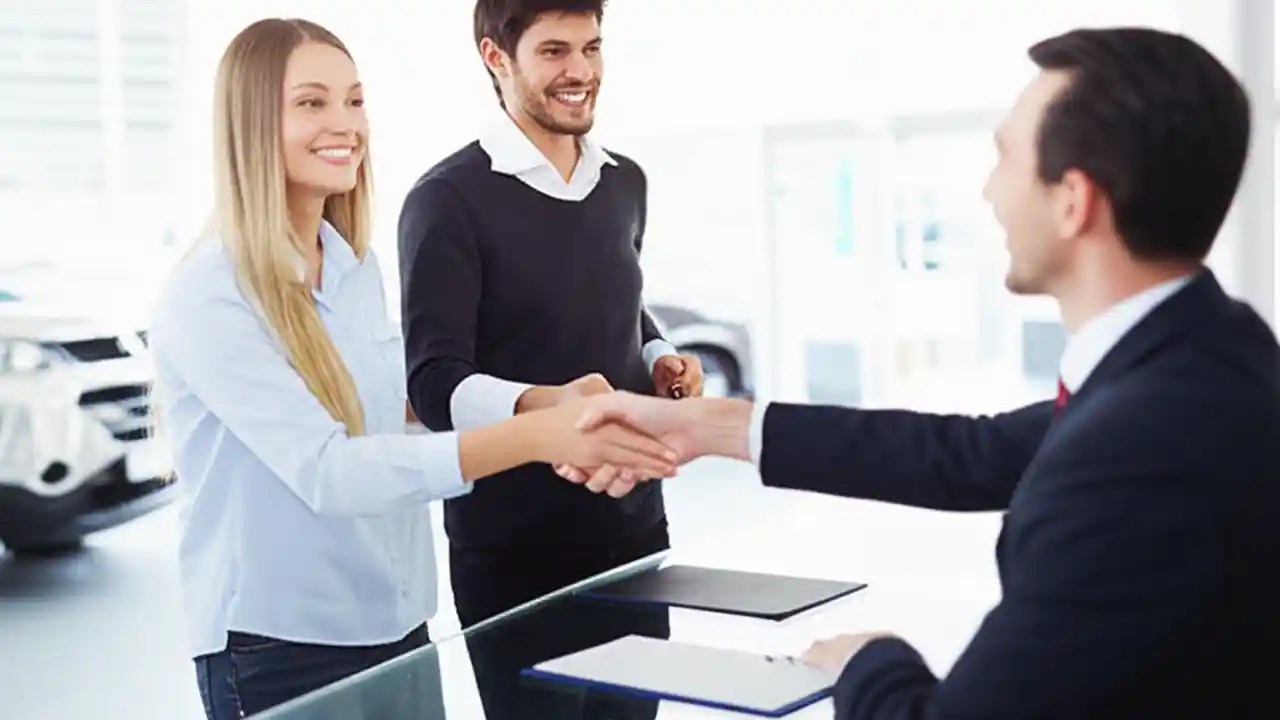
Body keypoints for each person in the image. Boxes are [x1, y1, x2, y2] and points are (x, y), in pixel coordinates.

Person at [569, 27, 1280, 719]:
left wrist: (867, 662)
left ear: (1074, 201)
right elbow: (975, 454)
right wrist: (707, 424)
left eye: (1005, 158)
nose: (988, 191)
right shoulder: (1214, 353)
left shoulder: (1136, 457)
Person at [147, 18, 677, 720]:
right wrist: (541, 436)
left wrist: (545, 401)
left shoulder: (349, 267)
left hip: (396, 628)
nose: (345, 124)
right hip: (276, 648)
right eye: (312, 102)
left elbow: (397, 401)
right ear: (248, 122)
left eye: (355, 100)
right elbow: (332, 472)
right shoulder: (211, 293)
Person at [396, 0, 702, 628]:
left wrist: (659, 356)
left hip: (636, 527)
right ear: (496, 58)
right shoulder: (446, 201)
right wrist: (553, 405)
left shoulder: (625, 183)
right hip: (515, 551)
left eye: (591, 48)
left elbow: (622, 304)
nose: (581, 71)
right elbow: (433, 384)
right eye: (554, 52)